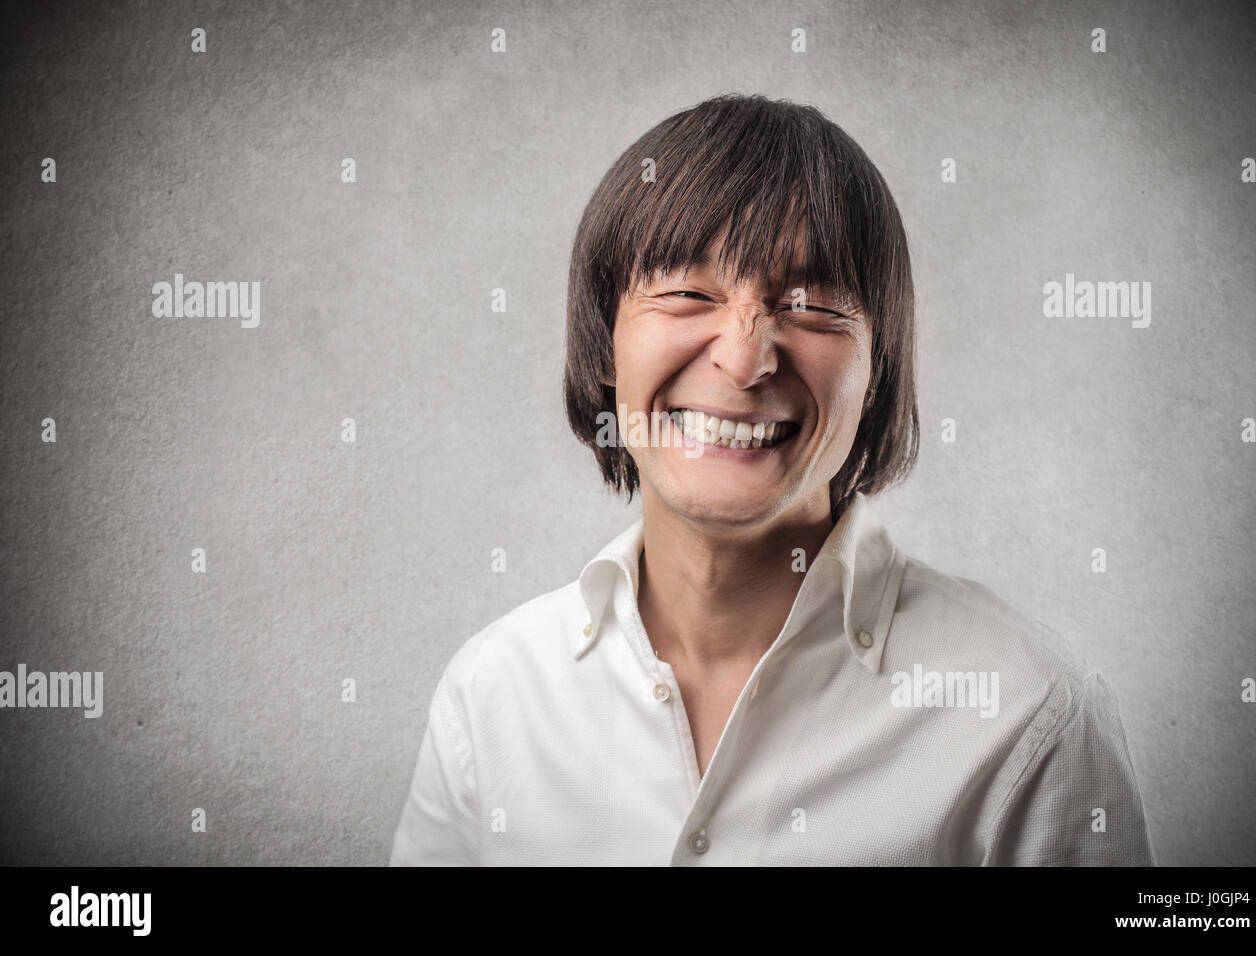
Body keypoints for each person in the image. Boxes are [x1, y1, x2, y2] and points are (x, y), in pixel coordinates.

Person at [389, 93, 1155, 866]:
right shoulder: (490, 697)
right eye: (689, 293)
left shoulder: (1029, 716)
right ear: (602, 342)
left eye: (813, 306)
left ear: (879, 374)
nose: (745, 357)